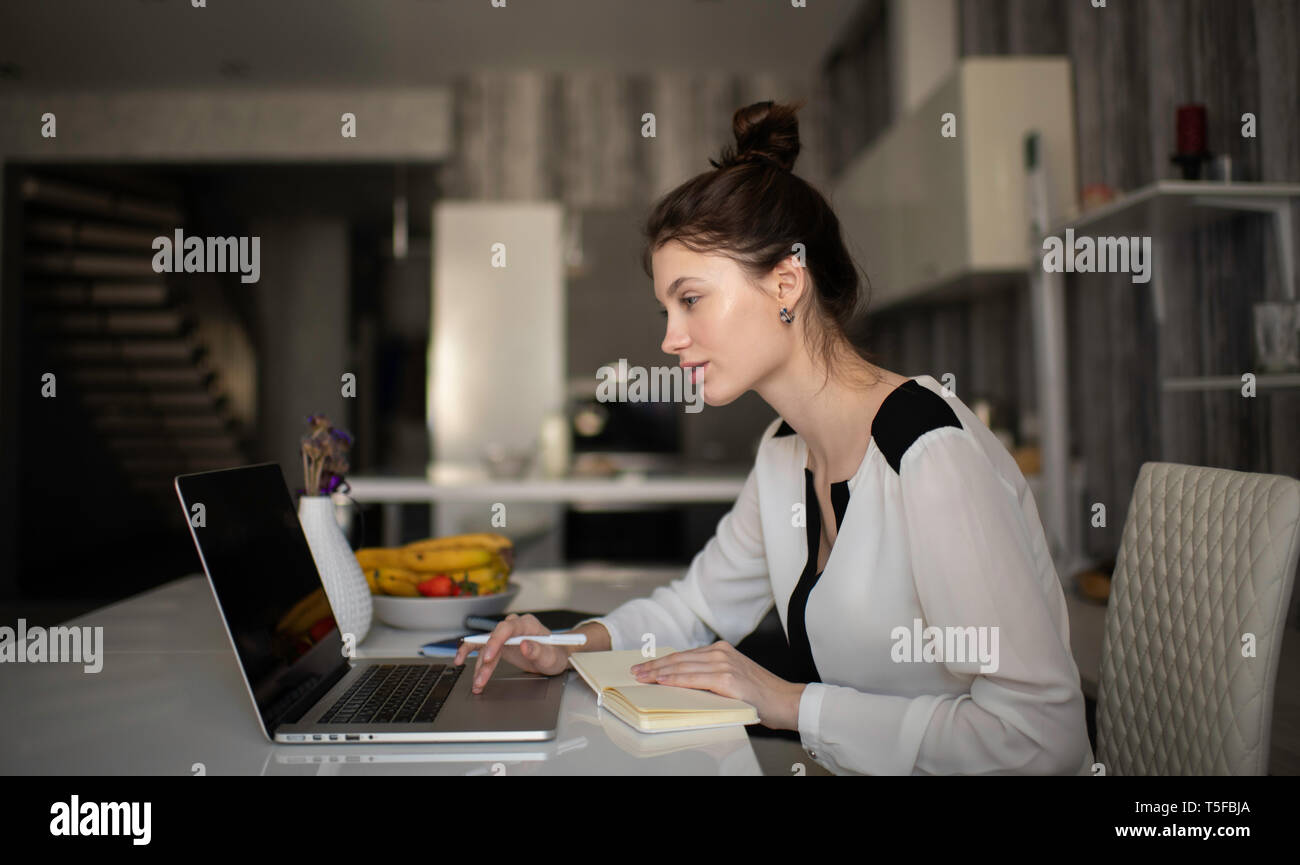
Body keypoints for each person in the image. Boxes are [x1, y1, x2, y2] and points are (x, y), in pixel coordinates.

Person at [454, 99, 1093, 776]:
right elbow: (698, 607)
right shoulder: (784, 449)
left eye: (691, 299)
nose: (670, 338)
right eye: (668, 309)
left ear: (786, 283)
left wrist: (789, 704)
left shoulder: (927, 453)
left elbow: (1041, 737)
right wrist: (572, 642)